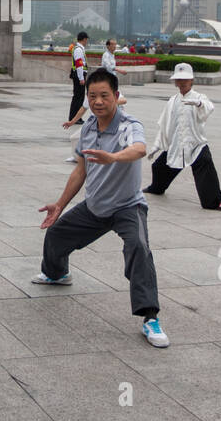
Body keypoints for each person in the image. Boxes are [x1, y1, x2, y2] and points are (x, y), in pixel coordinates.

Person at [34, 68, 168, 348]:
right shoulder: (87, 129)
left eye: (104, 96)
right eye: (92, 96)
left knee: (139, 248)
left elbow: (140, 149)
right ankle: (58, 274)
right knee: (56, 234)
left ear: (117, 96)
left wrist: (114, 157)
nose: (97, 102)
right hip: (94, 207)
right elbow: (79, 172)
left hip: (128, 207)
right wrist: (60, 205)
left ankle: (150, 318)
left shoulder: (129, 125)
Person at [143, 63, 221, 211]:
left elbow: (209, 107)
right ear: (175, 82)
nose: (182, 82)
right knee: (159, 167)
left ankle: (215, 202)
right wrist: (156, 146)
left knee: (205, 162)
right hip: (177, 145)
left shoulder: (199, 97)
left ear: (192, 80)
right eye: (179, 79)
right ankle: (156, 188)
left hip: (196, 144)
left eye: (185, 79)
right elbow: (164, 125)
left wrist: (199, 104)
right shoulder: (172, 101)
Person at [63, 91, 127, 163]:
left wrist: (108, 102)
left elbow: (124, 100)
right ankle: (77, 157)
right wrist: (72, 122)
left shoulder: (111, 90)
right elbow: (83, 108)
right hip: (94, 121)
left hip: (111, 121)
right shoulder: (91, 94)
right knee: (74, 137)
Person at [67, 31, 89, 124]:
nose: (87, 41)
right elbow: (79, 64)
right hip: (79, 75)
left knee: (79, 96)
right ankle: (75, 118)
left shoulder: (79, 48)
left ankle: (75, 117)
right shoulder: (79, 49)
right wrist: (81, 78)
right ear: (84, 39)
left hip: (79, 75)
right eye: (86, 39)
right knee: (78, 97)